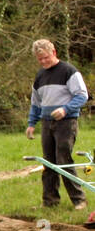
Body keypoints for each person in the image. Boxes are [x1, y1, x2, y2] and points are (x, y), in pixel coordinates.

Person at [26, 39, 88, 210]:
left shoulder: (69, 71)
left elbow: (82, 95)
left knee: (64, 160)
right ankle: (50, 201)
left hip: (66, 123)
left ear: (53, 52)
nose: (43, 61)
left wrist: (65, 109)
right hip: (47, 123)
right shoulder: (40, 76)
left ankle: (79, 200)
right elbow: (36, 103)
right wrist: (32, 124)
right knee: (49, 162)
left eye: (46, 57)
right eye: (40, 59)